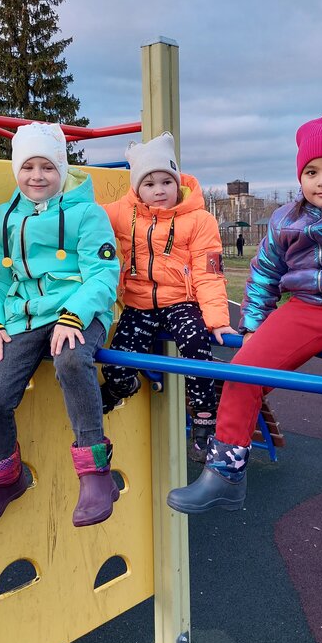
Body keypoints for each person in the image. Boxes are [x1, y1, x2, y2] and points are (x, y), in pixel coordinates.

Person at [167, 111, 322, 513]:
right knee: (243, 372)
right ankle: (225, 473)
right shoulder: (288, 218)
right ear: (300, 177)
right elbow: (266, 272)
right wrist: (251, 325)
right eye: (312, 171)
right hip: (302, 309)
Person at [0, 121, 120, 531]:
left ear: (61, 170)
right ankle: (5, 480)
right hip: (26, 316)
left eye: (47, 168)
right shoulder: (3, 218)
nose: (37, 176)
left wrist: (74, 314)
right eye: (28, 167)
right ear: (16, 170)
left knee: (72, 361)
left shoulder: (87, 213)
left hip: (78, 311)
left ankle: (95, 474)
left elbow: (102, 273)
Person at [101, 131, 235, 457]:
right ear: (137, 188)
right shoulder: (122, 213)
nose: (159, 190)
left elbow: (210, 271)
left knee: (195, 342)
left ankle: (204, 413)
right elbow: (86, 216)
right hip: (140, 302)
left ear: (178, 182)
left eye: (166, 181)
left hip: (181, 302)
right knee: (118, 358)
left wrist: (217, 319)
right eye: (149, 184)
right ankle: (122, 387)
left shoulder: (200, 219)